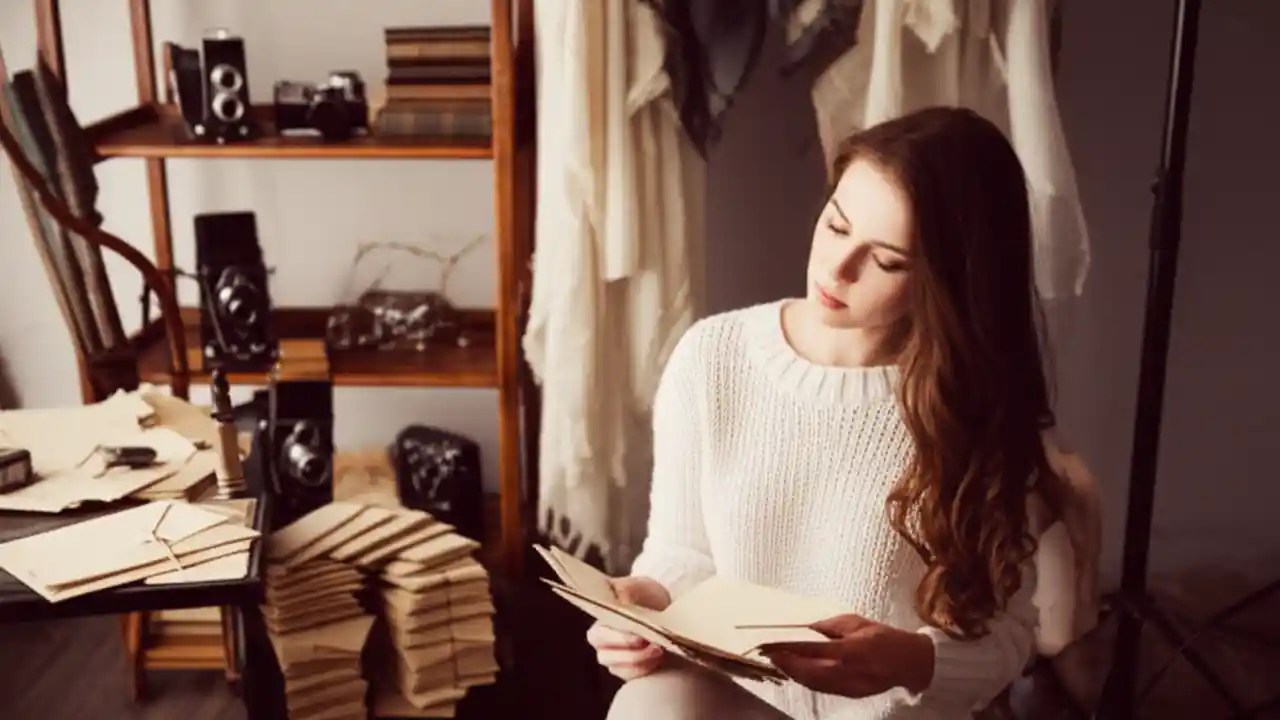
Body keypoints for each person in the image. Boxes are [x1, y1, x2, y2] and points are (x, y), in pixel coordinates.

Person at [593, 106, 1086, 719]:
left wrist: (912, 661)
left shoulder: (974, 406)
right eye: (835, 225)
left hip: (894, 716)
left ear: (950, 279)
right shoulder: (713, 357)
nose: (837, 269)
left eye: (886, 261)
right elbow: (682, 554)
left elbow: (1009, 637)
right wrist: (643, 604)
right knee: (647, 707)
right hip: (739, 701)